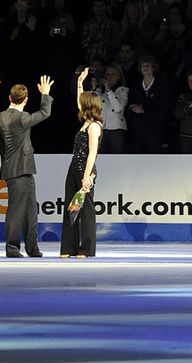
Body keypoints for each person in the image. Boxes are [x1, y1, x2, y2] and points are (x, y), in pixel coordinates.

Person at [0, 75, 53, 258]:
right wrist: (45, 94)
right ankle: (12, 248)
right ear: (26, 100)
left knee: (30, 210)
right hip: (19, 168)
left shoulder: (0, 117)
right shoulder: (23, 118)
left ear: (9, 98)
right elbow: (45, 113)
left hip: (18, 168)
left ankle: (32, 248)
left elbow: (0, 146)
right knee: (16, 210)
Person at [62, 70, 104, 259]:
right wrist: (80, 82)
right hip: (73, 168)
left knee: (85, 210)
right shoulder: (85, 123)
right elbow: (79, 101)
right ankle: (68, 248)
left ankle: (86, 249)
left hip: (85, 171)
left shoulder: (94, 126)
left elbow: (92, 153)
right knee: (70, 207)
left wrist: (87, 176)